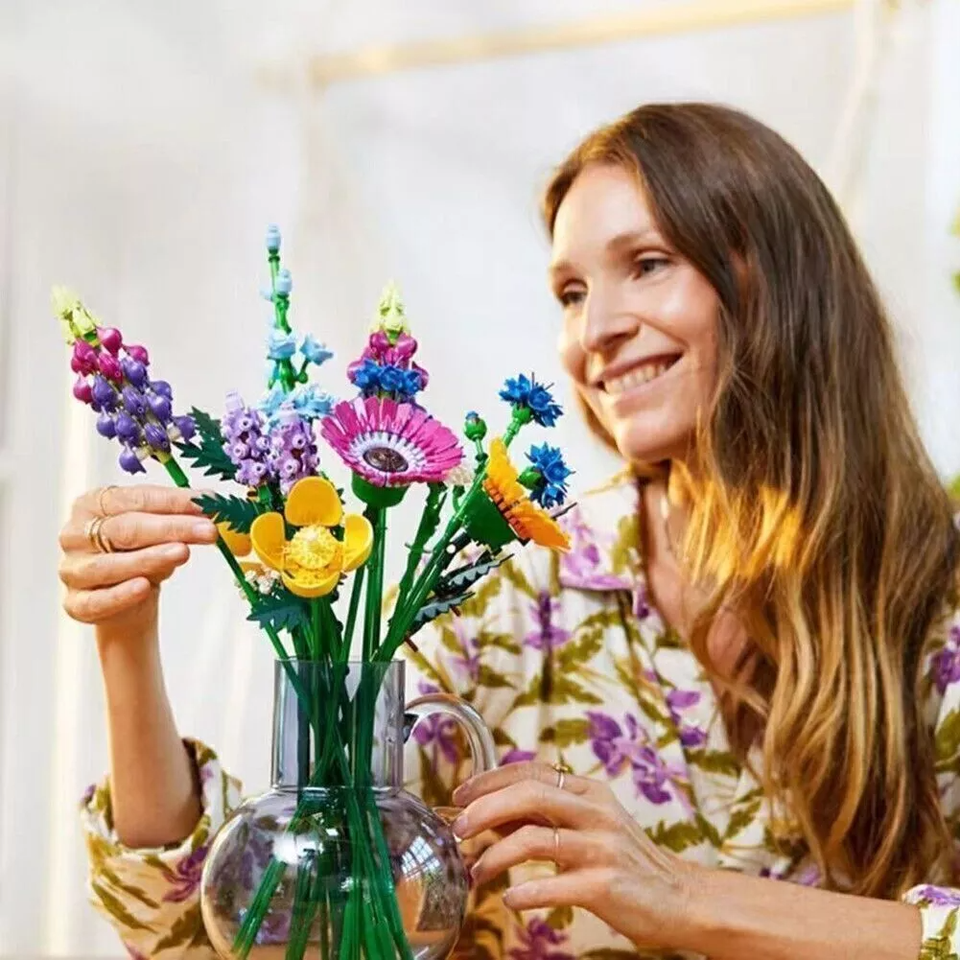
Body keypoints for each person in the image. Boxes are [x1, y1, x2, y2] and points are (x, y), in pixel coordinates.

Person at [60, 102, 960, 960]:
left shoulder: (937, 594)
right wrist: (124, 639)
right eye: (572, 291)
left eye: (646, 263)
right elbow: (236, 932)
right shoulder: (508, 585)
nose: (595, 331)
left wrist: (680, 895)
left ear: (781, 279)